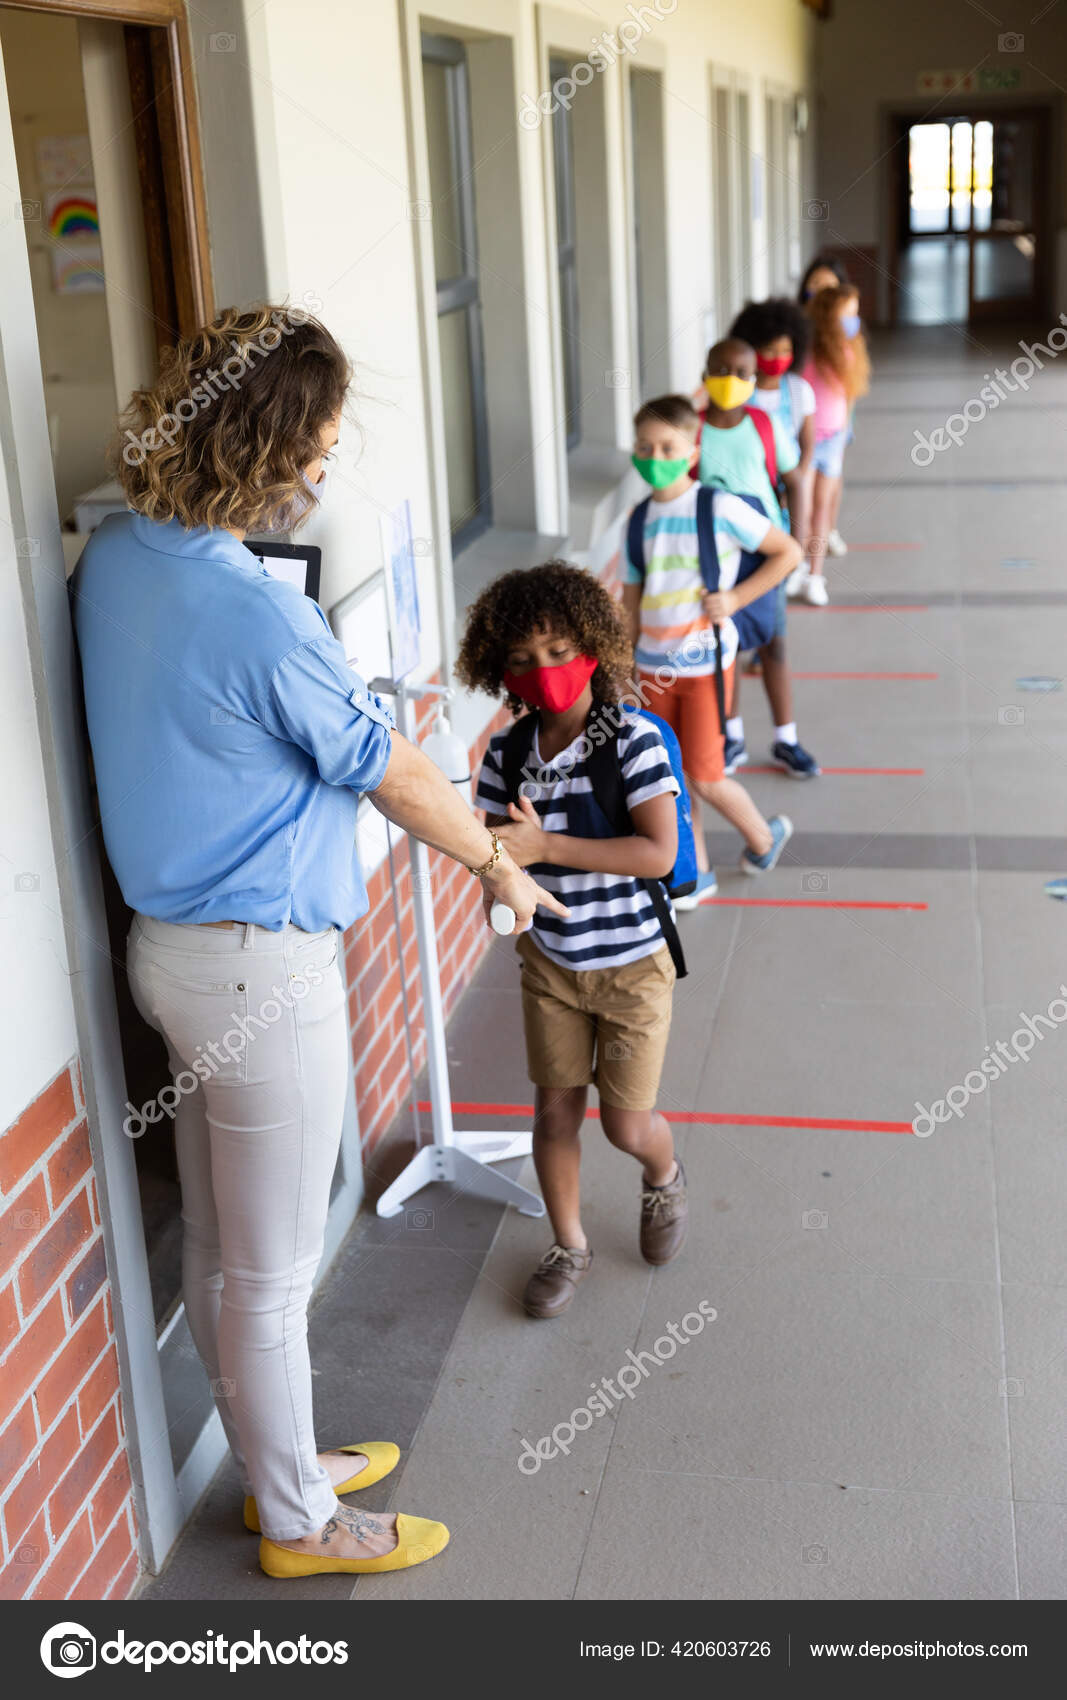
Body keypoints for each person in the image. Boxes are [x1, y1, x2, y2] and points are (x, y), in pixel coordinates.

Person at [71, 303, 566, 1580]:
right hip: (255, 970)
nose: (324, 468)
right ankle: (296, 1520)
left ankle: (277, 1466)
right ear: (268, 437)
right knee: (269, 1269)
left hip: (174, 954)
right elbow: (395, 772)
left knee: (237, 1251)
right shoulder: (256, 615)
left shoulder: (121, 553)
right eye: (321, 441)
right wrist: (503, 862)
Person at [458, 563, 687, 1318]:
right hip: (550, 964)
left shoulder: (634, 738)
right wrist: (499, 871)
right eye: (521, 660)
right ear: (499, 671)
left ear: (592, 643)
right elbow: (494, 850)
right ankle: (568, 1244)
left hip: (631, 968)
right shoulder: (504, 755)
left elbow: (654, 854)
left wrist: (546, 847)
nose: (544, 672)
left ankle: (662, 1176)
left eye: (558, 650)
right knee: (553, 1111)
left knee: (625, 1124)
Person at [621, 394, 801, 905]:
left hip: (704, 667)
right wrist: (622, 667)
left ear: (692, 449)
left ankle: (763, 838)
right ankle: (695, 873)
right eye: (644, 448)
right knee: (669, 777)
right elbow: (630, 605)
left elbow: (786, 552)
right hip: (652, 672)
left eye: (667, 447)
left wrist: (737, 598)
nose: (654, 458)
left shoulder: (717, 507)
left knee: (705, 775)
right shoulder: (637, 521)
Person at [702, 318, 820, 780]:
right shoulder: (693, 433)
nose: (731, 380)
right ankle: (731, 735)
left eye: (741, 372)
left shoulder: (765, 425)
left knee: (774, 645)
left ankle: (786, 738)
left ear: (754, 381)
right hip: (713, 556)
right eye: (722, 369)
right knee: (722, 647)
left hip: (767, 549)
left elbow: (793, 479)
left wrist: (804, 538)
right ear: (705, 373)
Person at [798, 285, 871, 605]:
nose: (854, 321)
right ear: (828, 317)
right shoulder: (807, 354)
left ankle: (815, 575)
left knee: (822, 511)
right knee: (804, 509)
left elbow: (849, 397)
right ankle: (797, 567)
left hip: (834, 442)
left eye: (855, 314)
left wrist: (844, 432)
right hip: (807, 442)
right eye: (847, 314)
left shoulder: (849, 350)